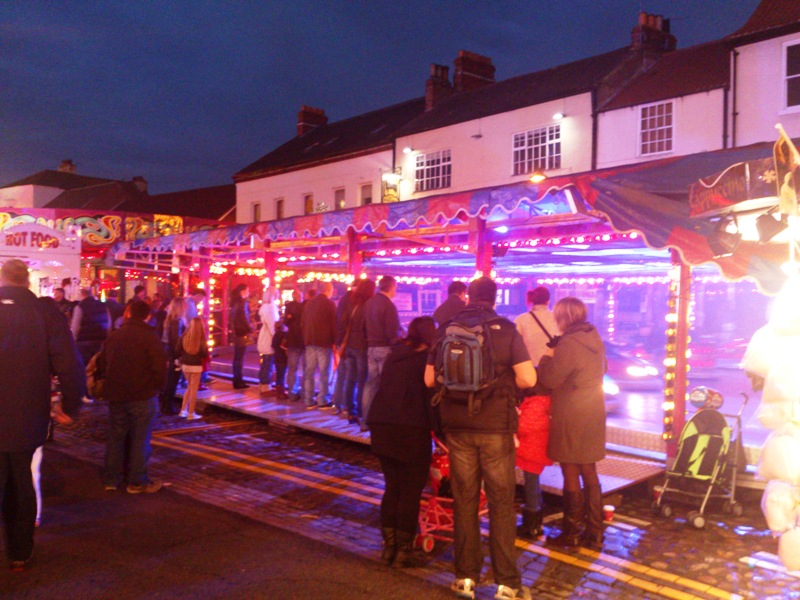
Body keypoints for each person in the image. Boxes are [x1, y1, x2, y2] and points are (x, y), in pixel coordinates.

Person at [424, 277, 536, 600]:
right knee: (500, 503)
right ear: (495, 298)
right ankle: (507, 584)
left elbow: (429, 379)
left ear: (468, 297)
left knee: (465, 500)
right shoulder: (506, 329)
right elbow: (528, 378)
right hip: (496, 428)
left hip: (457, 426)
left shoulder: (446, 328)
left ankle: (465, 579)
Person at [0, 259, 84, 571]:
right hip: (27, 413)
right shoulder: (44, 312)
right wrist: (70, 405)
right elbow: (70, 364)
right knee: (21, 479)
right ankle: (19, 552)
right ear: (27, 282)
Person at [537, 297, 607, 551]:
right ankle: (595, 532)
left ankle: (571, 533)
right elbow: (602, 368)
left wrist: (547, 356)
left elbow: (550, 379)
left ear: (563, 317)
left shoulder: (568, 342)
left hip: (571, 411)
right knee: (589, 468)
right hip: (593, 409)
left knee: (569, 470)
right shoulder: (594, 337)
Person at [368, 316, 438, 568]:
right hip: (411, 430)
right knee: (410, 492)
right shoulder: (428, 360)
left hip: (383, 425)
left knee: (392, 488)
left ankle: (389, 548)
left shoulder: (395, 354)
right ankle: (403, 552)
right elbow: (432, 399)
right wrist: (442, 431)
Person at [99, 299, 167, 494]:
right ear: (148, 316)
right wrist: (157, 388)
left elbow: (102, 364)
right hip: (142, 395)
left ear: (128, 313)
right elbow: (159, 369)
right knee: (140, 439)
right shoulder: (150, 338)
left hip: (116, 394)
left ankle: (111, 479)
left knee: (116, 437)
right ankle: (136, 481)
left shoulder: (115, 336)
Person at [513, 286, 559, 539]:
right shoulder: (556, 319)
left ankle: (528, 514)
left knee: (530, 416)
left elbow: (515, 349)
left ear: (530, 299)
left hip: (529, 376)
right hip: (550, 376)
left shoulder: (521, 320)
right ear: (549, 300)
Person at [362, 275, 401, 426]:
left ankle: (366, 421)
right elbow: (392, 332)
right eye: (395, 287)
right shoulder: (388, 305)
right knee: (386, 385)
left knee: (370, 384)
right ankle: (385, 421)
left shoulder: (369, 302)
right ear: (391, 287)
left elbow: (363, 326)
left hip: (371, 347)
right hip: (384, 348)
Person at [341, 278, 375, 427]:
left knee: (350, 378)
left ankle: (349, 409)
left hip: (349, 345)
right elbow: (367, 326)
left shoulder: (352, 303)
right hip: (361, 346)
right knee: (362, 380)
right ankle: (361, 411)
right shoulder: (367, 305)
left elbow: (344, 322)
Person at [301, 281, 337, 409]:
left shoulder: (309, 303)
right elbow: (334, 324)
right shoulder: (330, 304)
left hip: (309, 341)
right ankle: (323, 400)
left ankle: (309, 400)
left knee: (309, 372)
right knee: (324, 372)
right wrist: (335, 342)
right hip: (324, 342)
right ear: (328, 290)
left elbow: (303, 323)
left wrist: (306, 337)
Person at [71, 286, 111, 368]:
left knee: (85, 368)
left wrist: (72, 342)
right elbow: (109, 324)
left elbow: (75, 328)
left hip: (83, 344)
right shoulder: (103, 306)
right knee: (97, 367)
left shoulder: (80, 307)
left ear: (81, 294)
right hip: (100, 342)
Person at [177, 317, 209, 420]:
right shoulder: (201, 338)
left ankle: (183, 410)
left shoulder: (184, 336)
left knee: (189, 387)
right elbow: (205, 354)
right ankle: (191, 413)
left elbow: (177, 350)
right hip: (196, 366)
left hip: (185, 365)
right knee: (193, 390)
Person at [160, 297, 187, 414]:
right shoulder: (177, 321)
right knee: (173, 380)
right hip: (174, 354)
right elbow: (176, 340)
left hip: (168, 352)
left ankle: (165, 405)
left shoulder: (169, 319)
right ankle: (168, 406)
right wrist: (179, 355)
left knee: (170, 380)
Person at [331, 286, 354, 414]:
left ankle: (338, 403)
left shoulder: (342, 301)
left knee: (341, 374)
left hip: (341, 341)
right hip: (349, 342)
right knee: (349, 375)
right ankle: (346, 405)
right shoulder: (353, 302)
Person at [230, 284, 253, 389]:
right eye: (247, 290)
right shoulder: (242, 302)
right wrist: (250, 328)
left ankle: (237, 379)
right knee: (240, 358)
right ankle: (239, 380)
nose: (248, 292)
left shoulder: (235, 302)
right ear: (242, 291)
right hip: (242, 331)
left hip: (237, 332)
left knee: (237, 358)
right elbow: (244, 317)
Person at [283, 290, 305, 400]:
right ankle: (304, 392)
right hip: (303, 340)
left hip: (292, 340)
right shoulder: (304, 307)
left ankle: (292, 392)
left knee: (292, 367)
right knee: (306, 368)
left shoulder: (289, 307)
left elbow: (286, 322)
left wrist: (290, 317)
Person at [257, 288, 279, 394]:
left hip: (264, 335)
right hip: (269, 338)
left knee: (264, 362)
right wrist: (277, 338)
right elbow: (272, 325)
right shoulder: (271, 308)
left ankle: (262, 384)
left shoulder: (264, 307)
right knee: (268, 363)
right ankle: (266, 386)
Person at [272, 320, 289, 399]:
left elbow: (273, 345)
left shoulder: (275, 335)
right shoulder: (284, 335)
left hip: (276, 357)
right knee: (282, 375)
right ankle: (281, 392)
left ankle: (278, 392)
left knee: (279, 375)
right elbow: (285, 346)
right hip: (283, 358)